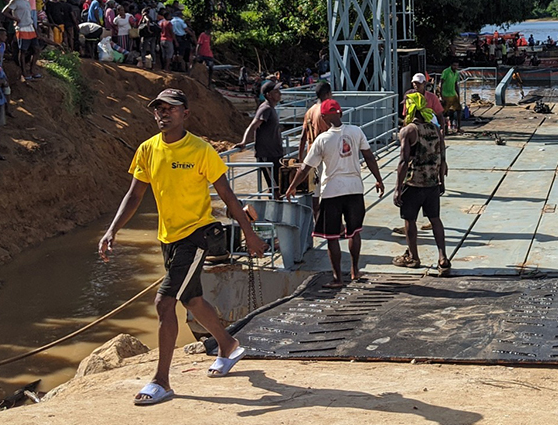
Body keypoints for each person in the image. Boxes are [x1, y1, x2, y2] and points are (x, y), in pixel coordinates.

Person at [99, 88, 266, 406]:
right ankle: (228, 345)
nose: (162, 113)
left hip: (198, 235)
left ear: (185, 114)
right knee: (192, 299)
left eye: (170, 108)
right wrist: (112, 230)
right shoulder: (147, 150)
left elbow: (228, 196)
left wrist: (250, 234)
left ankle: (161, 381)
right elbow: (134, 196)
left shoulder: (201, 150)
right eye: (158, 108)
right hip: (168, 238)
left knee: (164, 303)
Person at [289, 99, 386, 286]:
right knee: (354, 232)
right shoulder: (356, 131)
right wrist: (379, 179)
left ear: (323, 117)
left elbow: (306, 168)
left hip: (332, 191)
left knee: (332, 236)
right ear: (341, 114)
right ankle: (355, 271)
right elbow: (369, 156)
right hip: (355, 189)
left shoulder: (322, 139)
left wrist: (292, 186)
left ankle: (337, 278)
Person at [393, 92, 450, 274]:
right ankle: (443, 258)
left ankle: (414, 257)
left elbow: (403, 161)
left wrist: (397, 188)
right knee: (435, 220)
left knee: (410, 220)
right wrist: (441, 181)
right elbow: (442, 156)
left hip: (413, 183)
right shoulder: (435, 129)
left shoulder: (409, 130)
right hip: (432, 183)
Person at [238, 79, 284, 196]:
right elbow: (252, 125)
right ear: (269, 95)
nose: (279, 93)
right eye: (276, 91)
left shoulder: (271, 108)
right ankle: (275, 210)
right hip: (266, 155)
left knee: (279, 185)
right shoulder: (265, 109)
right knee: (275, 188)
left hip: (275, 153)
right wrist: (244, 142)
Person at [3, 0, 38, 82]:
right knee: (22, 51)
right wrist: (15, 19)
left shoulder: (26, 1)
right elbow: (4, 11)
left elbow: (29, 16)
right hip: (22, 28)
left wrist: (35, 29)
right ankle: (24, 72)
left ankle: (32, 70)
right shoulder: (15, 1)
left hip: (30, 27)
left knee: (36, 49)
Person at [440, 59, 462, 134]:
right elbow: (441, 84)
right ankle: (443, 128)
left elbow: (456, 84)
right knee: (443, 112)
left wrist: (458, 95)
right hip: (445, 95)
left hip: (453, 94)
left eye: (457, 66)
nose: (456, 67)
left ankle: (458, 128)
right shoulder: (446, 72)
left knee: (459, 110)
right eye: (454, 65)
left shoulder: (456, 73)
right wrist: (441, 95)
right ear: (451, 65)